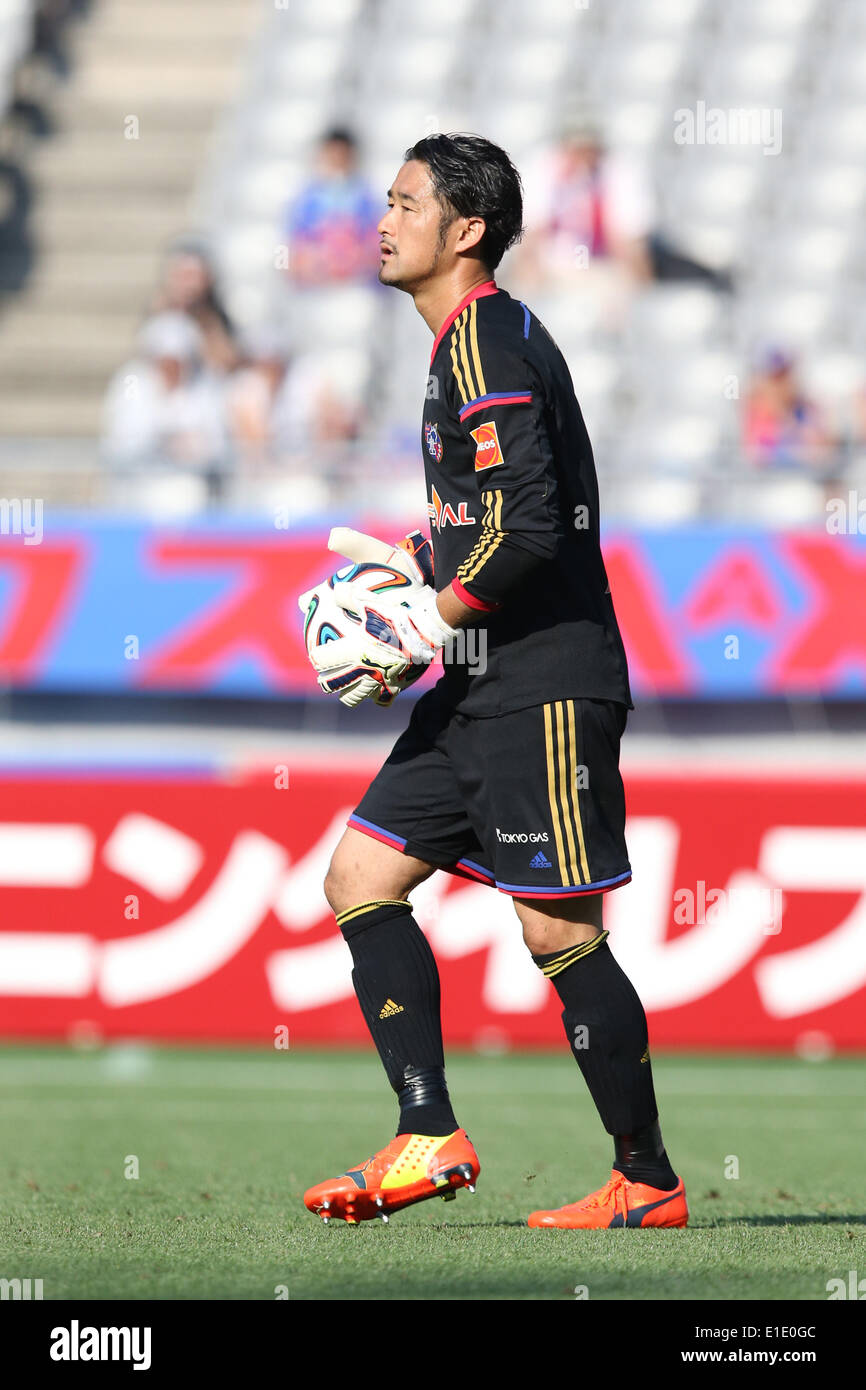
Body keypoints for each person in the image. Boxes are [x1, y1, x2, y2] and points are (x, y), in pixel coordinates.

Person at [301, 133, 687, 1231]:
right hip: (480, 681)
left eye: (405, 203)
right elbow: (496, 522)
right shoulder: (462, 347)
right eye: (382, 201)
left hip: (542, 680)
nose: (382, 221)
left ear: (464, 230)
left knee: (557, 934)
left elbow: (522, 530)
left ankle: (647, 1180)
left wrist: (429, 615)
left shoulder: (484, 338)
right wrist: (413, 572)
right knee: (358, 875)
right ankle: (426, 1130)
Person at [284, 126, 381, 287]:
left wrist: (353, 259)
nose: (337, 162)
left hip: (357, 287)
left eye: (342, 156)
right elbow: (294, 251)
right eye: (333, 155)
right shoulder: (307, 199)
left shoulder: (367, 198)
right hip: (316, 285)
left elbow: (377, 248)